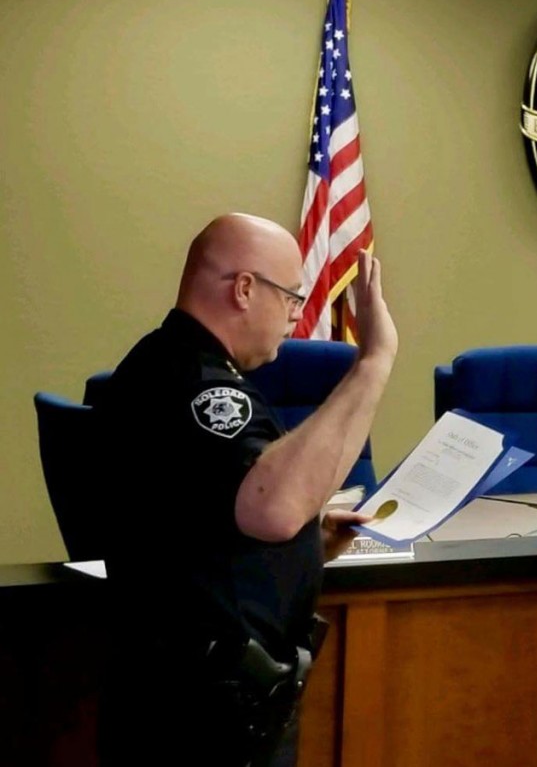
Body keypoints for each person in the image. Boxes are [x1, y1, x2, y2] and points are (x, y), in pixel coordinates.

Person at [95, 213, 398, 767]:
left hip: (195, 704)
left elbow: (208, 519)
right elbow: (275, 510)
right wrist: (373, 364)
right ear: (243, 289)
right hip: (198, 719)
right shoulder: (202, 388)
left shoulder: (171, 363)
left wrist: (309, 541)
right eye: (289, 296)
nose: (297, 313)